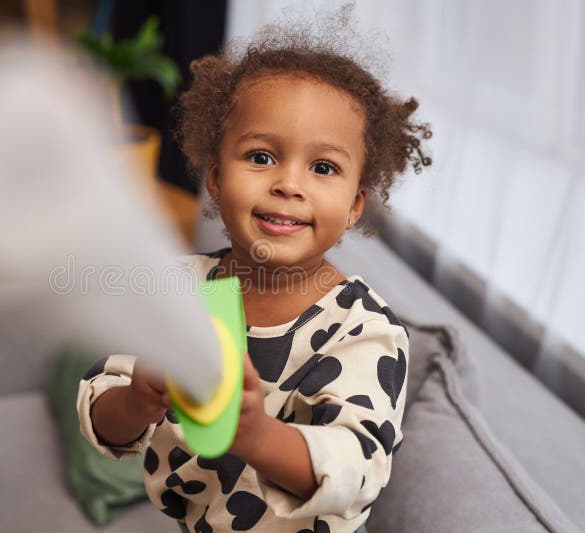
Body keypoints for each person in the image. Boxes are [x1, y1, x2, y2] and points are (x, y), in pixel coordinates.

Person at [77, 9, 432, 532]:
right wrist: (137, 398)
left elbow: (357, 469)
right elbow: (98, 410)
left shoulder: (366, 332)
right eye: (261, 157)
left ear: (355, 205)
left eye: (323, 167)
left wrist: (254, 433)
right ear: (216, 179)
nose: (289, 184)